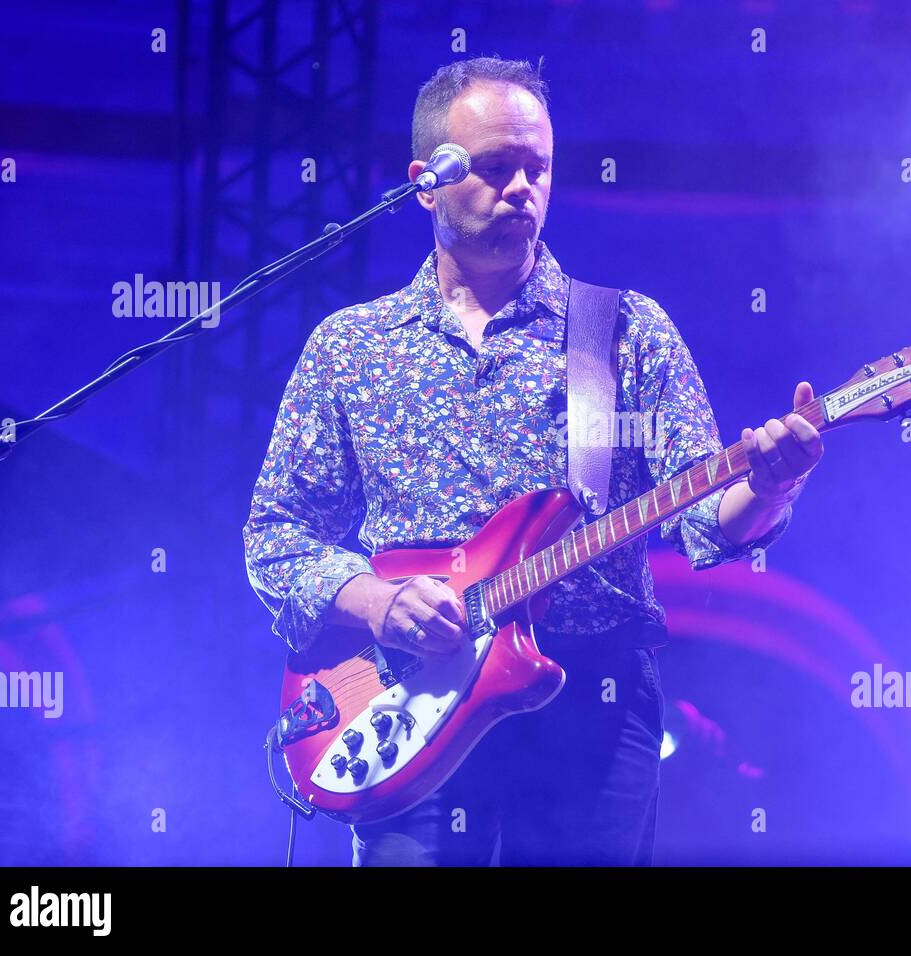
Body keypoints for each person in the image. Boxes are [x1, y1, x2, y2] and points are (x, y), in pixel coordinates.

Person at [243, 55, 822, 866]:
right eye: (494, 168)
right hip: (408, 698)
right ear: (426, 182)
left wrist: (772, 485)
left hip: (593, 704)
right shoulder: (351, 347)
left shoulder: (622, 331)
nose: (522, 187)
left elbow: (708, 521)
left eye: (537, 168)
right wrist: (377, 603)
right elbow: (276, 536)